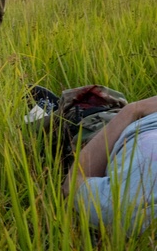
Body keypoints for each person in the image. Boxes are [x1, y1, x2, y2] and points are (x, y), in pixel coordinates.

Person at [64, 96, 157, 231]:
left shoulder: (129, 206)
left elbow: (73, 184)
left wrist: (133, 109)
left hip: (120, 128)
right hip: (140, 120)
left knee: (89, 117)